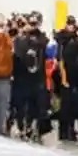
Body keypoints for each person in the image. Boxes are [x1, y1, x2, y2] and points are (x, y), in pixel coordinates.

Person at [11, 13, 49, 141]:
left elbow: (43, 44)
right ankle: (21, 127)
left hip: (37, 79)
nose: (31, 26)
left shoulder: (42, 39)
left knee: (36, 106)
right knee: (20, 105)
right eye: (29, 23)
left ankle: (32, 128)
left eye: (34, 24)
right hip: (21, 78)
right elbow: (17, 53)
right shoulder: (18, 40)